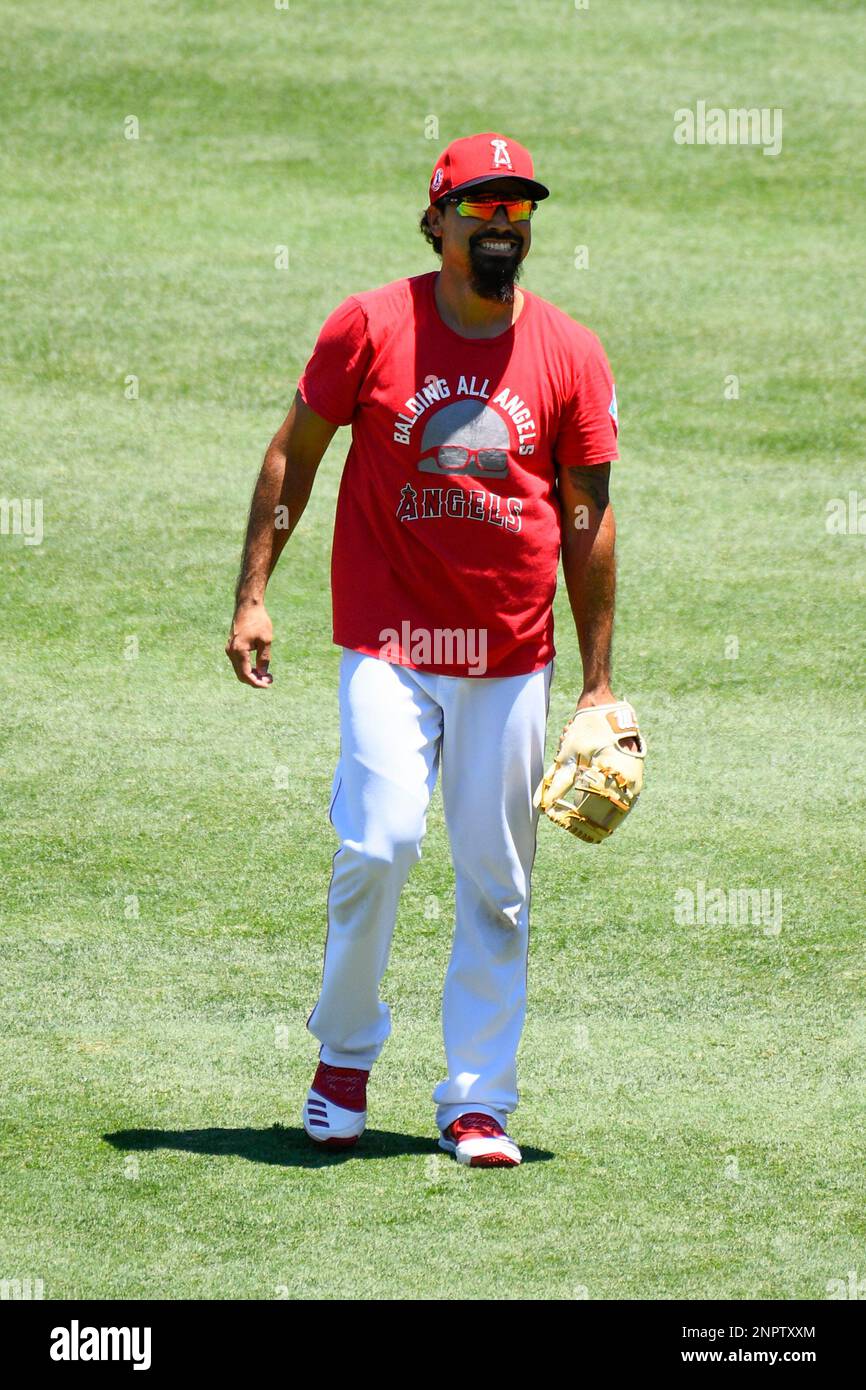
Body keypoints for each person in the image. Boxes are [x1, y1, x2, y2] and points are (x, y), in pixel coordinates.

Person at [226, 132, 622, 1168]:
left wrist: (598, 685)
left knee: (497, 881)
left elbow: (587, 516)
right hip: (390, 644)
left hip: (509, 656)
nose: (500, 225)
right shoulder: (368, 326)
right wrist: (254, 596)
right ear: (435, 218)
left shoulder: (569, 352)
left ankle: (477, 1100)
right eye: (480, 207)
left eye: (517, 209)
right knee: (379, 841)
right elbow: (292, 456)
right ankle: (343, 1058)